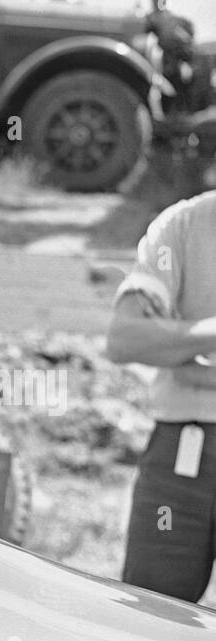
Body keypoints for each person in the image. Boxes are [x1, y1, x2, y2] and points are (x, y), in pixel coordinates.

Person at [106, 190, 216, 602]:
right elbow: (124, 338)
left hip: (183, 426)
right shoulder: (184, 224)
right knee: (149, 623)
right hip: (181, 455)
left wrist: (183, 347)